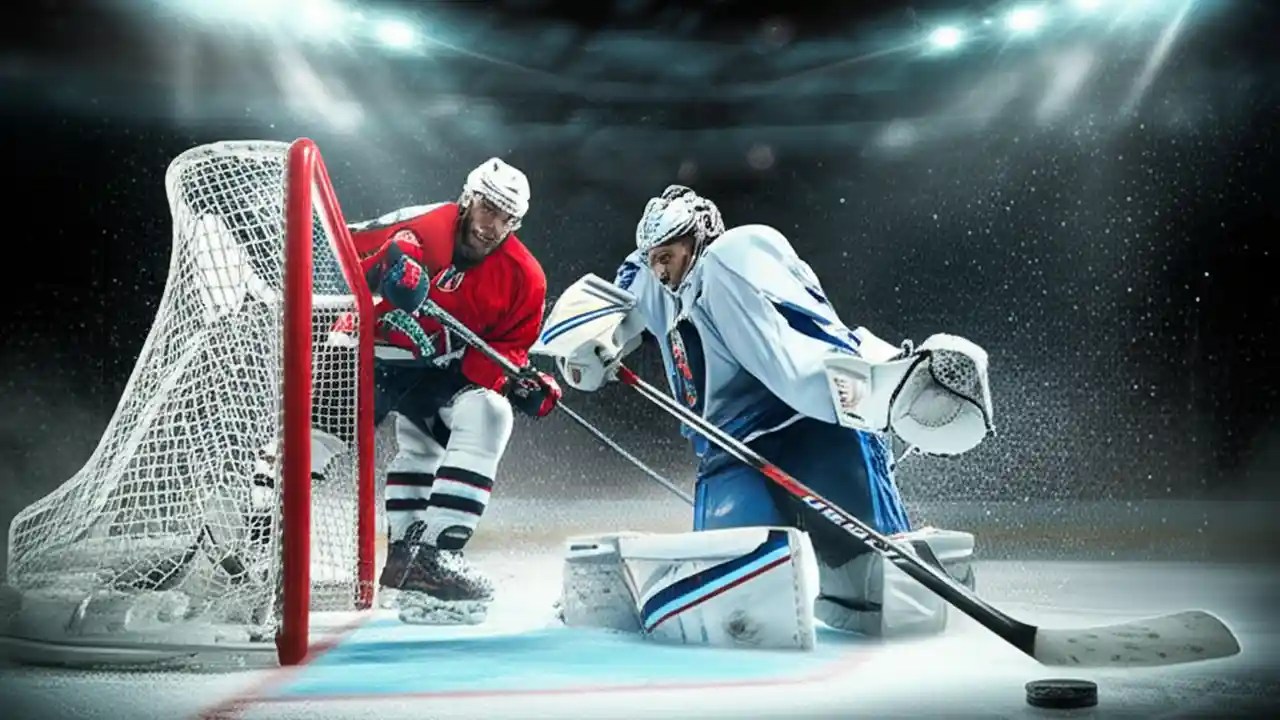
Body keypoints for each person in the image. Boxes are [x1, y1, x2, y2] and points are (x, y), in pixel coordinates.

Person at [540, 185, 988, 638]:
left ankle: (899, 572)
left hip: (812, 432)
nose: (660, 269)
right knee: (737, 577)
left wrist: (884, 384)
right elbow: (606, 310)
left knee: (876, 578)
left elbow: (810, 334)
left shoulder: (736, 253)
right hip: (731, 449)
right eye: (654, 257)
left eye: (668, 255)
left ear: (698, 238)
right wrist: (589, 347)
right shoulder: (651, 279)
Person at [269, 157, 562, 625]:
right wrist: (387, 266)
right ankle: (255, 529)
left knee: (489, 413)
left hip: (436, 372)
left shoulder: (526, 278)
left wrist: (519, 383)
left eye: (507, 217)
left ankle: (423, 561)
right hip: (368, 349)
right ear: (468, 199)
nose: (492, 225)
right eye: (488, 208)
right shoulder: (421, 225)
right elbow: (338, 248)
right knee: (314, 440)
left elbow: (500, 353)